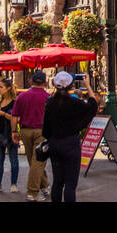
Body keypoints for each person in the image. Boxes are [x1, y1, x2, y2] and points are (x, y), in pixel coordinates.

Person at [42, 71, 99, 203]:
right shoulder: (75, 103)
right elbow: (92, 106)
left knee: (57, 181)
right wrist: (88, 86)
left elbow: (45, 128)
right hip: (71, 144)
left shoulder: (50, 103)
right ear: (71, 86)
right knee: (70, 184)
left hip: (55, 143)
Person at [12, 70, 51, 201]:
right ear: (45, 83)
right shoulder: (48, 97)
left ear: (30, 81)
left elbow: (14, 116)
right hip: (42, 132)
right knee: (38, 162)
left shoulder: (22, 96)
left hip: (25, 131)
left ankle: (45, 187)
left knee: (33, 161)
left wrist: (14, 131)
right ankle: (32, 192)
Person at [0, 76, 20, 193]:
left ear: (8, 88)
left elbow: (16, 118)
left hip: (11, 134)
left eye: (1, 87)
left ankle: (13, 184)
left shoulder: (15, 103)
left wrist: (3, 114)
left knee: (14, 160)